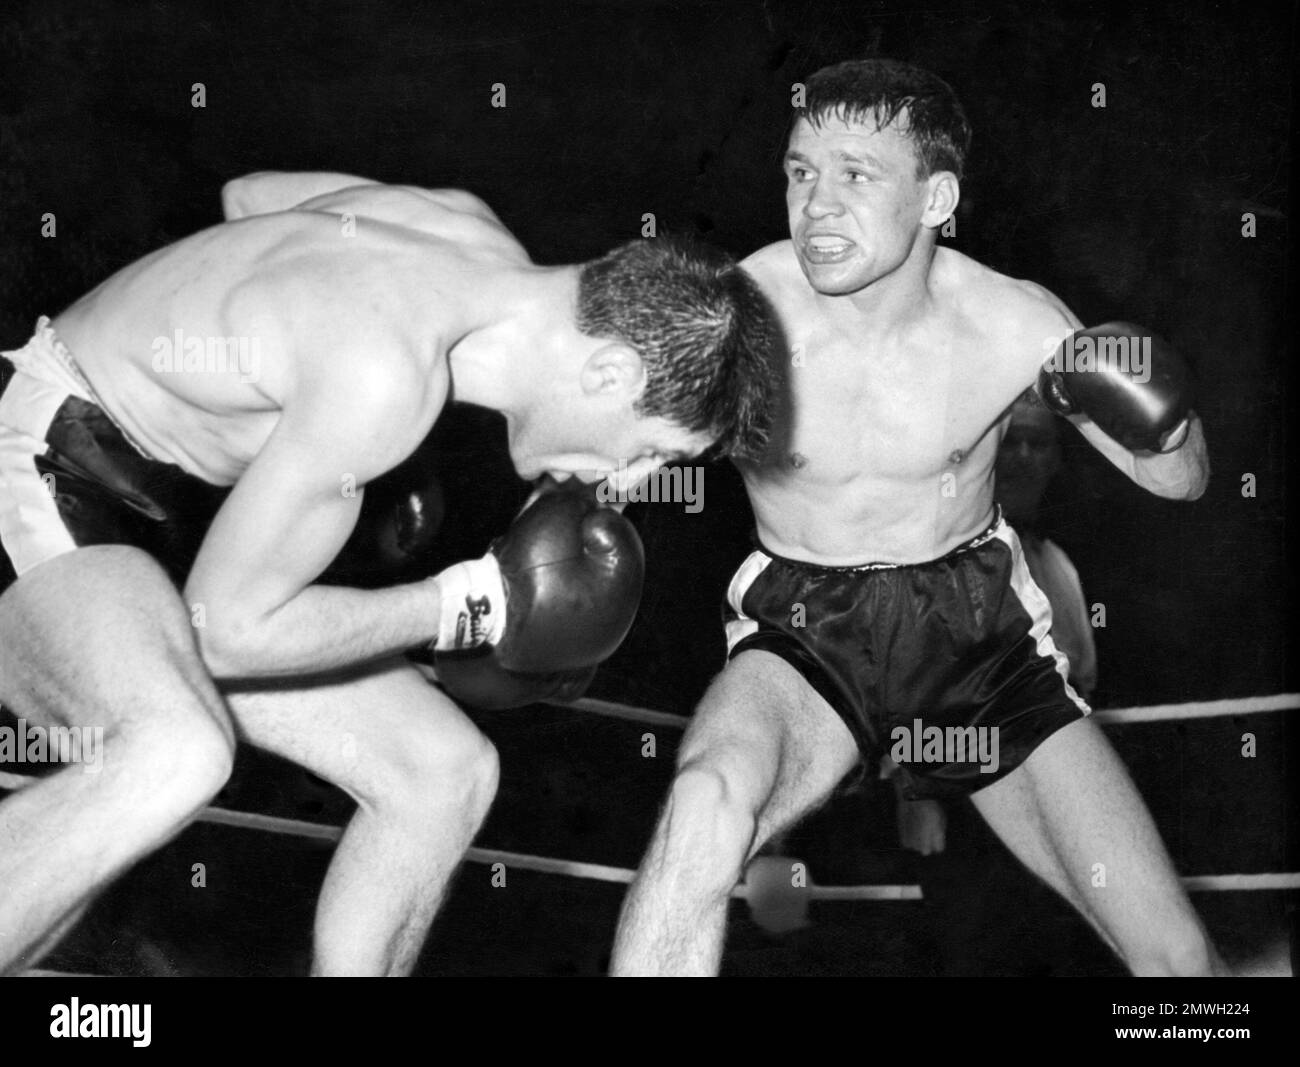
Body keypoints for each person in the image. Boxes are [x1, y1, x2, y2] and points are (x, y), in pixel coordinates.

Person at [0, 171, 780, 975]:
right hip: (50, 462)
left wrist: (255, 376)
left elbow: (246, 197)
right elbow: (227, 635)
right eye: (656, 450)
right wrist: (469, 606)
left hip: (181, 510)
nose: (633, 480)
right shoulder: (385, 375)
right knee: (172, 749)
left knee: (441, 772)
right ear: (611, 373)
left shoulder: (463, 228)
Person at [611, 58, 1222, 977]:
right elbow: (599, 445)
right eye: (800, 171)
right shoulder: (742, 317)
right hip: (804, 629)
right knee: (704, 801)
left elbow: (1181, 483)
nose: (817, 203)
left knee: (1175, 961)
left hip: (981, 640)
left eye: (856, 173)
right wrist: (595, 492)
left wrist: (1165, 416)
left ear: (938, 196)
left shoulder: (1015, 324)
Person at [892, 390, 1096, 855]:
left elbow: (1082, 687)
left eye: (1038, 444)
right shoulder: (941, 549)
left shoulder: (1061, 568)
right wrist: (916, 790)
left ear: (1055, 461)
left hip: (1060, 799)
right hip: (966, 802)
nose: (1023, 457)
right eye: (1012, 442)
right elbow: (905, 678)